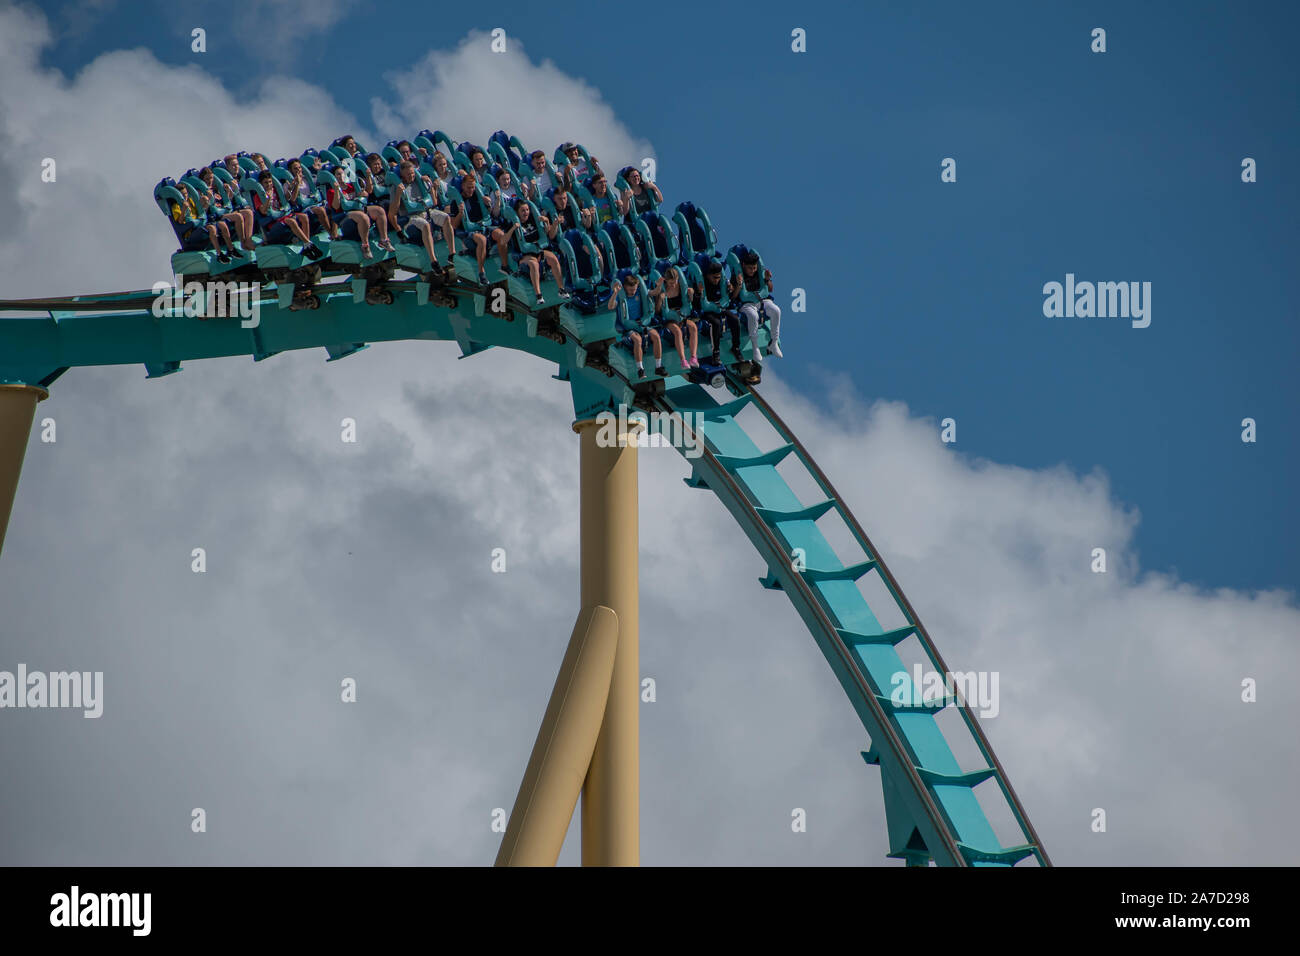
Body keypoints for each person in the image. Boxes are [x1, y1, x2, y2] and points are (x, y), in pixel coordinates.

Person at [389, 161, 456, 274]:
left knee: (445, 218)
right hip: (411, 217)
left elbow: (433, 202)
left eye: (412, 173)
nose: (411, 176)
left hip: (426, 211)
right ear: (402, 175)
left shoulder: (419, 181)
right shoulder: (396, 187)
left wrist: (430, 187)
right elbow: (392, 212)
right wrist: (398, 194)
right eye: (408, 174)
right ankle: (433, 261)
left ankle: (452, 254)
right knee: (425, 225)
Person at [729, 250, 782, 382]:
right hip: (746, 304)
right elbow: (733, 297)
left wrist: (768, 279)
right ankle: (755, 347)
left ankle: (774, 343)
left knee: (776, 311)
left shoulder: (759, 273)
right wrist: (739, 285)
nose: (752, 270)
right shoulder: (737, 276)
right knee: (753, 316)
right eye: (749, 268)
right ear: (743, 266)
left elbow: (770, 289)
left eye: (754, 268)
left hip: (761, 300)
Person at [504, 200, 567, 306]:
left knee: (553, 258)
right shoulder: (512, 224)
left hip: (538, 249)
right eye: (523, 210)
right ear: (517, 212)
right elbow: (503, 241)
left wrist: (547, 221)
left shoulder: (533, 220)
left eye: (527, 210)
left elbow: (549, 235)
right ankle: (539, 295)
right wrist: (513, 228)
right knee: (534, 264)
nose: (526, 212)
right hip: (525, 254)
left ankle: (561, 289)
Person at [253, 170, 323, 258]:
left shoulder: (276, 190)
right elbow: (263, 211)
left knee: (304, 217)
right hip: (272, 222)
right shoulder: (258, 196)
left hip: (283, 215)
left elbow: (286, 199)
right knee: (291, 221)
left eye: (270, 182)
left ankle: (306, 246)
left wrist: (291, 188)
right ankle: (308, 243)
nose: (268, 184)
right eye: (265, 183)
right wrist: (268, 200)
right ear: (261, 184)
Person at [607, 271, 663, 378]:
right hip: (629, 327)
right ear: (625, 287)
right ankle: (640, 369)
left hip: (642, 323)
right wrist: (614, 293)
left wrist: (659, 286)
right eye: (631, 289)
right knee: (638, 340)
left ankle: (658, 367)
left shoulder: (639, 292)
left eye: (635, 289)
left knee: (656, 336)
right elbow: (610, 306)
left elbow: (654, 292)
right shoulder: (621, 296)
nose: (633, 291)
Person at [448, 173, 498, 285]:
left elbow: (489, 215)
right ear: (463, 187)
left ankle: (505, 266)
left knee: (501, 234)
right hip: (468, 232)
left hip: (483, 226)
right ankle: (481, 273)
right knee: (482, 240)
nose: (471, 190)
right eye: (469, 187)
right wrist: (460, 213)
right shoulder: (455, 203)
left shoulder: (477, 196)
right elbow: (454, 226)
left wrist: (488, 204)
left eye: (473, 187)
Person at [690, 258, 742, 366]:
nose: (716, 280)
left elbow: (730, 298)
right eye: (714, 278)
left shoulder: (722, 283)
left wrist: (732, 288)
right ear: (708, 275)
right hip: (707, 311)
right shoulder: (701, 283)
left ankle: (736, 347)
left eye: (718, 277)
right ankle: (716, 353)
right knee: (716, 323)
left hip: (720, 308)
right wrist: (699, 293)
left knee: (735, 319)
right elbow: (695, 303)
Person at [168, 183, 235, 262]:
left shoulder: (190, 201)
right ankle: (219, 254)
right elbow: (180, 221)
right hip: (191, 231)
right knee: (212, 228)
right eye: (182, 195)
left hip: (200, 225)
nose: (185, 196)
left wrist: (206, 203)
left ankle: (231, 250)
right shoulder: (176, 206)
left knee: (222, 224)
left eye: (186, 193)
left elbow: (201, 213)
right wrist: (184, 209)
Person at [196, 166, 253, 255]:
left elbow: (226, 204)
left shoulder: (216, 189)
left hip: (224, 212)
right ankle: (243, 243)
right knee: (238, 216)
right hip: (214, 217)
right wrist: (208, 199)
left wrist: (228, 193)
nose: (209, 180)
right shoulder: (201, 193)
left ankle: (248, 240)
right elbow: (202, 212)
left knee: (248, 212)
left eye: (211, 178)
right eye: (207, 179)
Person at [649, 267, 696, 368]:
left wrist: (691, 295)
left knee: (693, 327)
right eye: (671, 283)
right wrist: (660, 300)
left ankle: (693, 357)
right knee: (677, 331)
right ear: (666, 281)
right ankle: (683, 360)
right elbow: (657, 311)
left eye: (675, 282)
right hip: (669, 319)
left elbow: (690, 303)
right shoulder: (663, 290)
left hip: (681, 316)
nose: (673, 285)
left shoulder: (681, 287)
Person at [286, 157, 336, 239]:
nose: (298, 170)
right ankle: (331, 234)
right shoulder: (288, 184)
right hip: (303, 208)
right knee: (321, 210)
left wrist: (318, 170)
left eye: (299, 167)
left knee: (334, 205)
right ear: (291, 171)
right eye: (295, 169)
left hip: (314, 203)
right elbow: (292, 200)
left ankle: (334, 232)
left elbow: (319, 182)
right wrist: (297, 184)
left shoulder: (307, 179)